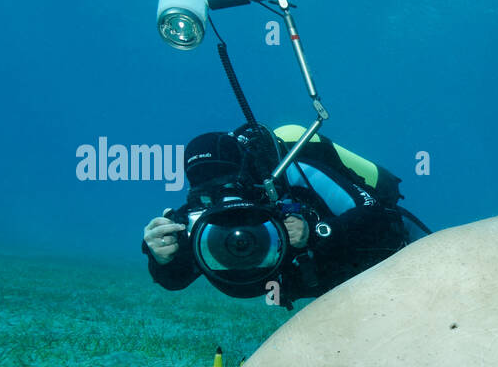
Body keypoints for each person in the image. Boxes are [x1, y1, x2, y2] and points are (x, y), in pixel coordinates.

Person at [142, 123, 425, 308]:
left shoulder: (292, 176)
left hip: (395, 252)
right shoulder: (198, 219)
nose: (224, 200)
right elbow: (175, 280)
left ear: (249, 174)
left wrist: (316, 231)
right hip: (334, 292)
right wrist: (162, 258)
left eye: (230, 185)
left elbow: (383, 219)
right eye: (208, 192)